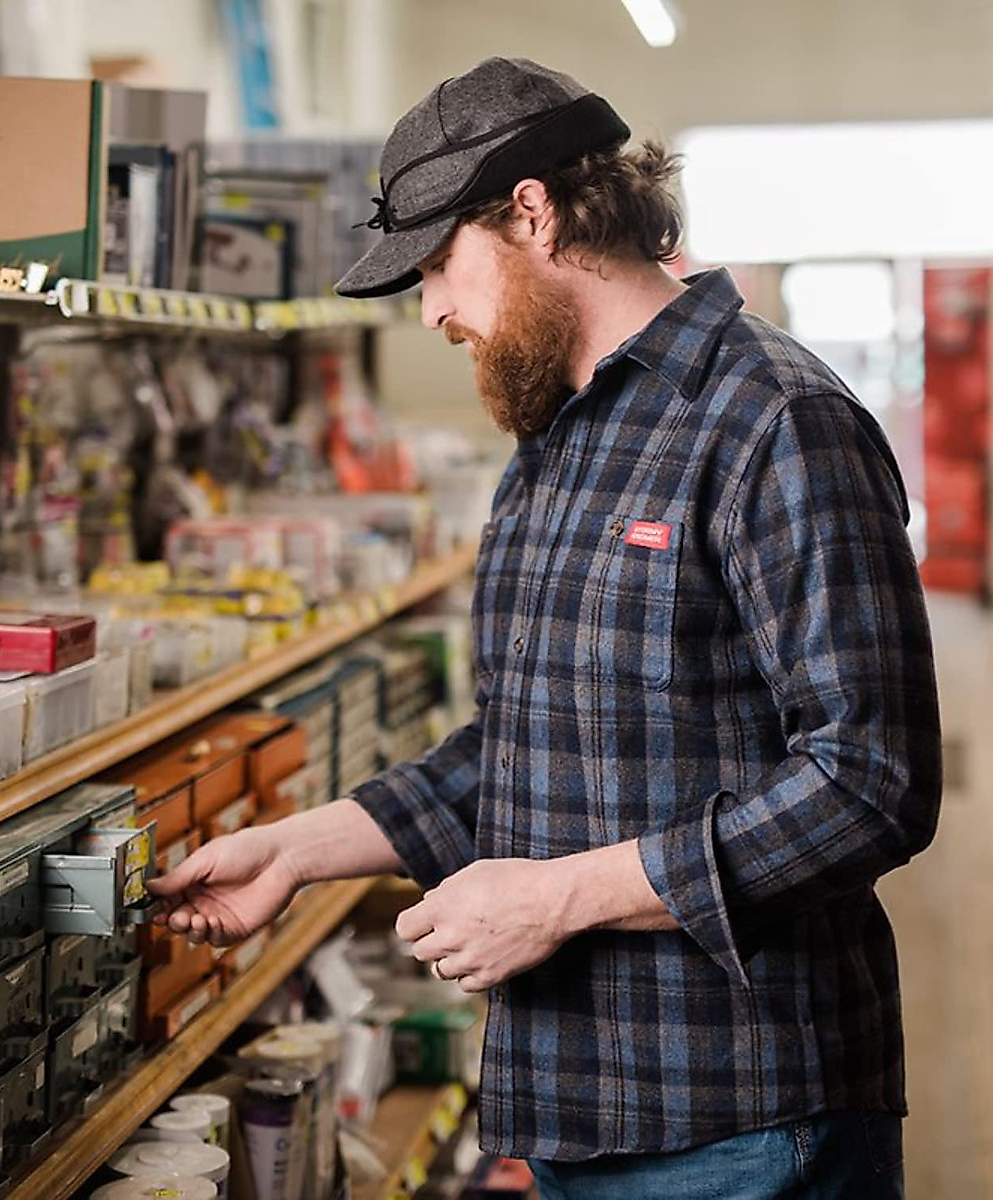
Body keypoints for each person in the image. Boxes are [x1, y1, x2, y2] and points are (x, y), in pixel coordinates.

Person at [149, 57, 941, 1200]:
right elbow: (529, 744)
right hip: (578, 1115)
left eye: (436, 266)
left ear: (533, 215)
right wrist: (300, 850)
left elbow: (869, 781)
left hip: (744, 1123)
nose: (431, 311)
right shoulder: (554, 441)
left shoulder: (777, 419)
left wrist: (554, 898)